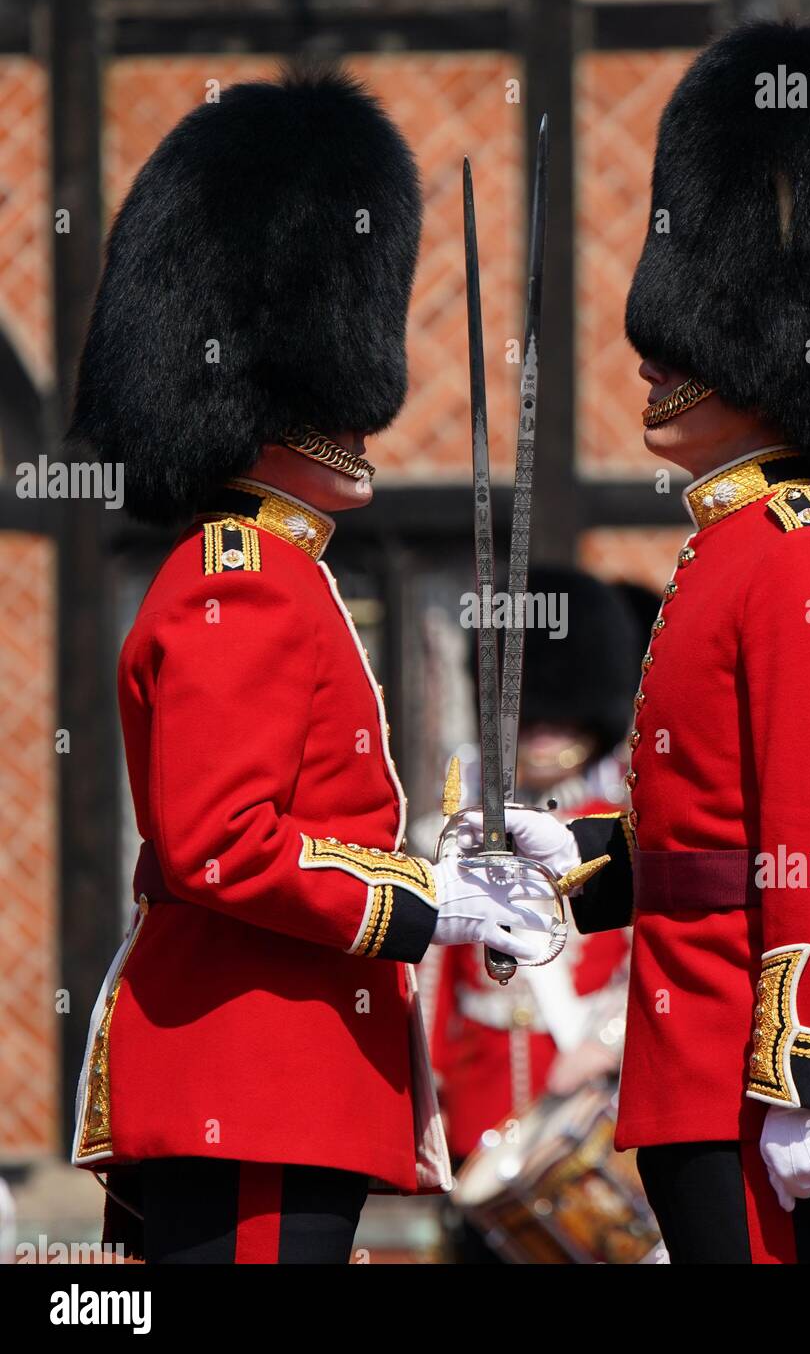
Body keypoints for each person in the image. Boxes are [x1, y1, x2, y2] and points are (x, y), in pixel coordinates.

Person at [461, 20, 810, 1263]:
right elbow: (703, 836)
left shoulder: (804, 556)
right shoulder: (729, 551)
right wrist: (571, 865)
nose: (650, 357)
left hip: (762, 1070)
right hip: (693, 1063)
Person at [67, 64, 564, 1265]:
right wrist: (419, 903)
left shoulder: (282, 569)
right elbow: (223, 841)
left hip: (291, 1080)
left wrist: (431, 901)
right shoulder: (239, 572)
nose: (359, 424)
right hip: (254, 1081)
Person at [430, 566, 636, 1261]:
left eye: (562, 722)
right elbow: (435, 987)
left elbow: (649, 963)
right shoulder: (455, 829)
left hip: (588, 1100)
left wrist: (602, 1046)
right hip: (477, 1097)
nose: (544, 739)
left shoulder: (619, 833)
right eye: (532, 721)